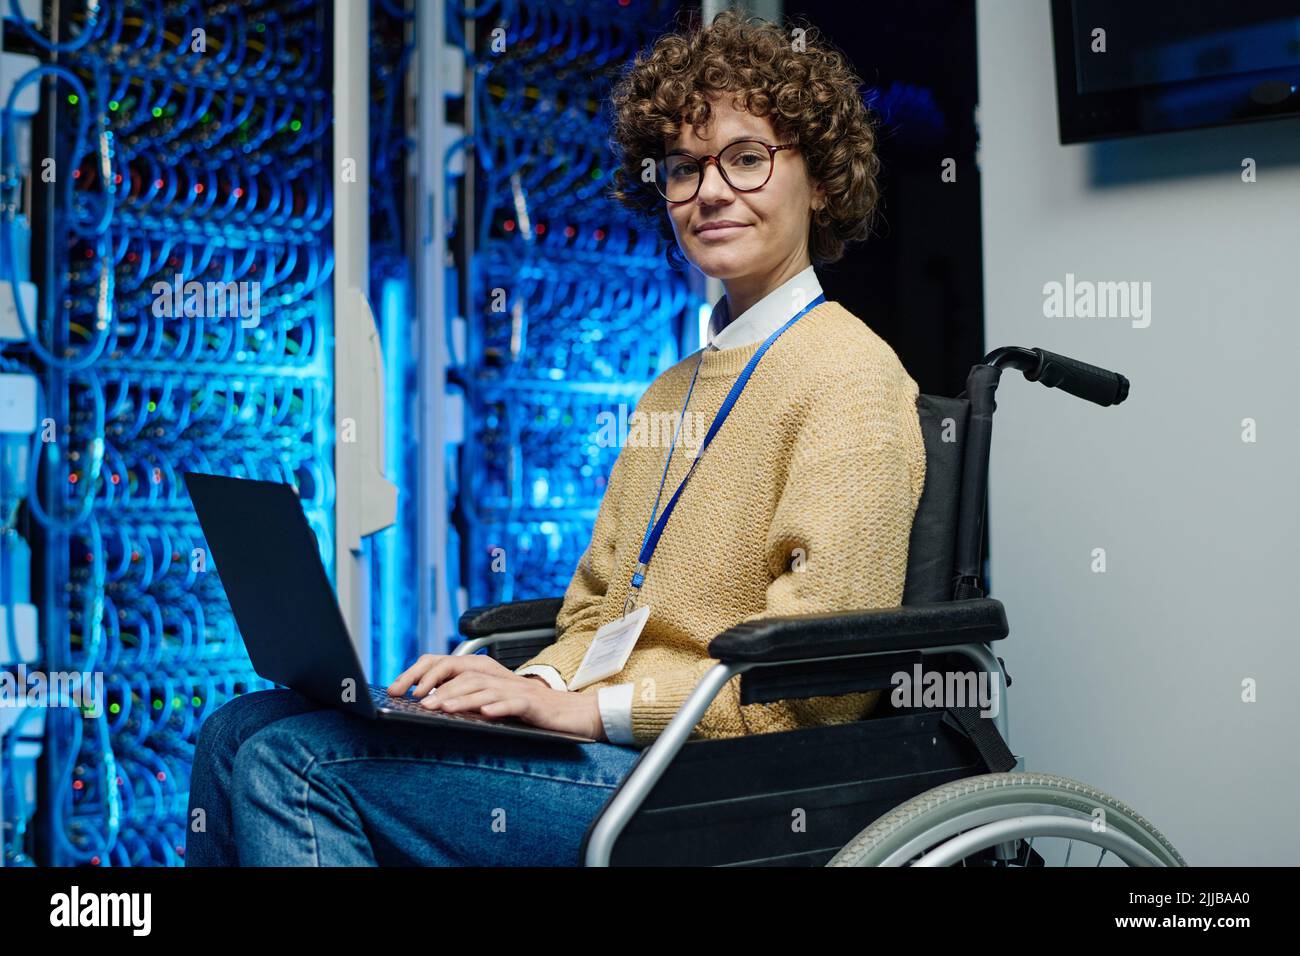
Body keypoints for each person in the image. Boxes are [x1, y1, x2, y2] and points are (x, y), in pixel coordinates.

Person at [186, 8, 926, 867]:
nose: (711, 192)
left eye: (748, 159)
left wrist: (587, 711)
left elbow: (820, 693)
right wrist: (526, 683)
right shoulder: (673, 388)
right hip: (621, 748)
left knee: (296, 764)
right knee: (239, 728)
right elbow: (593, 613)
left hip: (724, 777)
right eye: (684, 169)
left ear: (823, 180)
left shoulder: (851, 375)